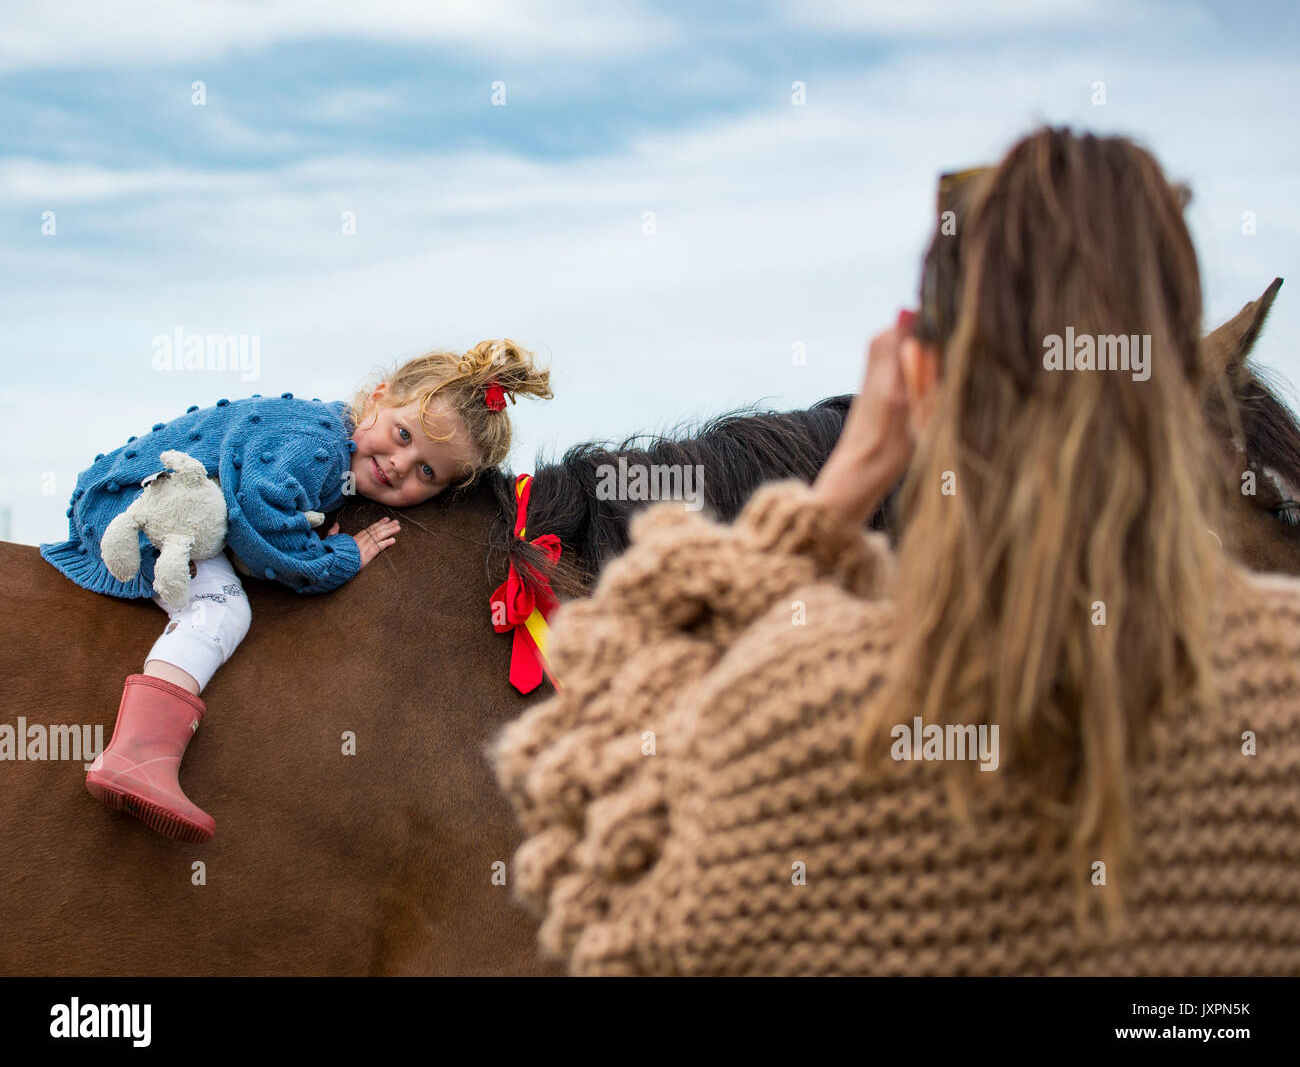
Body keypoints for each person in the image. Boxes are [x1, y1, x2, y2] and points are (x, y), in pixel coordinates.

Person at [489, 127, 1300, 975]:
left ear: (916, 381)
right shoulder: (1283, 686)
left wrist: (833, 500)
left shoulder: (828, 703)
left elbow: (586, 863)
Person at [41, 339, 552, 843]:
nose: (400, 463)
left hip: (169, 500)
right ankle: (136, 754)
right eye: (402, 434)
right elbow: (261, 522)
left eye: (427, 471)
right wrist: (333, 559)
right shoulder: (318, 444)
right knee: (220, 608)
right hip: (137, 504)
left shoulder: (330, 447)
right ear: (376, 397)